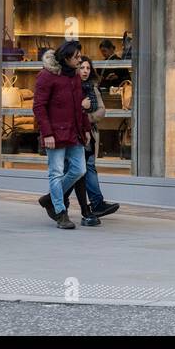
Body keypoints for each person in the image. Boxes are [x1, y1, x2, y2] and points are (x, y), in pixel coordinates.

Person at [33, 41, 93, 230]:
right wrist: (47, 133)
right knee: (56, 173)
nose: (79, 59)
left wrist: (85, 129)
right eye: (76, 56)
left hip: (74, 132)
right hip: (55, 133)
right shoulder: (47, 76)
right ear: (66, 58)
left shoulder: (74, 77)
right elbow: (39, 107)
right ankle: (60, 212)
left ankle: (51, 198)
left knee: (79, 170)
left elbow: (79, 106)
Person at [57, 59, 121, 226]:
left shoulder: (92, 87)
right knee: (75, 171)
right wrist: (81, 110)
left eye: (88, 68)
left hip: (89, 135)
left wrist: (87, 118)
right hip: (73, 135)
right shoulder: (70, 86)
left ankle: (90, 205)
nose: (85, 70)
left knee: (86, 169)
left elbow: (101, 110)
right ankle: (60, 203)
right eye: (81, 67)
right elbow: (65, 110)